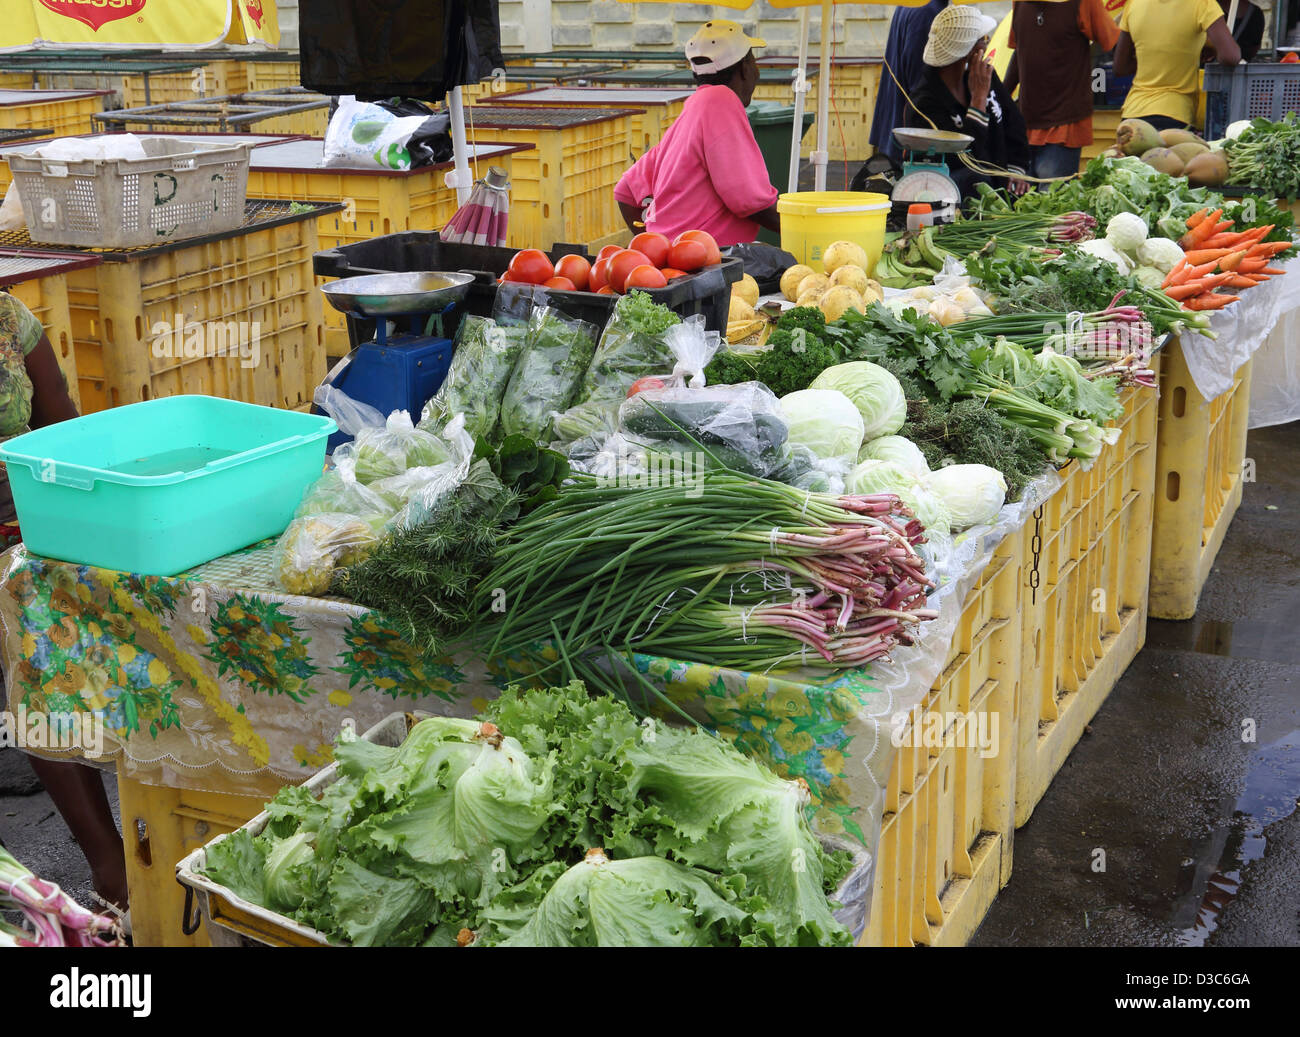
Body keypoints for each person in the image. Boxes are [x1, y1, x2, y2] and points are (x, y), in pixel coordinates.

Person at [0, 293, 128, 915]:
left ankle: (114, 869)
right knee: (36, 665)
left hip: (28, 528)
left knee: (58, 664)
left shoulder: (9, 320)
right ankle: (112, 869)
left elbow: (61, 428)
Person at [614, 20, 779, 246]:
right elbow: (749, 200)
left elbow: (626, 191)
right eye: (754, 62)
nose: (757, 74)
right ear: (745, 68)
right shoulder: (721, 101)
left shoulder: (693, 110)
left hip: (678, 263)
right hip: (705, 265)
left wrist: (656, 247)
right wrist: (809, 225)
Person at [905, 5, 1030, 200]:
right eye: (983, 41)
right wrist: (978, 100)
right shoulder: (924, 105)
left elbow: (1013, 122)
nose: (986, 46)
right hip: (958, 204)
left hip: (1000, 193)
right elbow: (965, 160)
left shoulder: (986, 76)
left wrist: (1016, 170)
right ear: (967, 52)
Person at [1005, 0, 1120, 182]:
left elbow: (1114, 44)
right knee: (1022, 204)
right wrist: (1002, 99)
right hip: (1025, 128)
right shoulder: (1019, 2)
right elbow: (1019, 50)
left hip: (1065, 128)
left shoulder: (1084, 2)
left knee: (1053, 205)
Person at [1115, 0, 1241, 131]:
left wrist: (1154, 58)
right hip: (1174, 116)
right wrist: (1208, 51)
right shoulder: (1202, 4)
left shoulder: (1134, 4)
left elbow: (1120, 67)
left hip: (1132, 116)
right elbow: (1230, 56)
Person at [870, 0, 950, 163]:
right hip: (911, 139)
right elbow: (920, 84)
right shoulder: (927, 11)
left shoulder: (915, 4)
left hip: (897, 129)